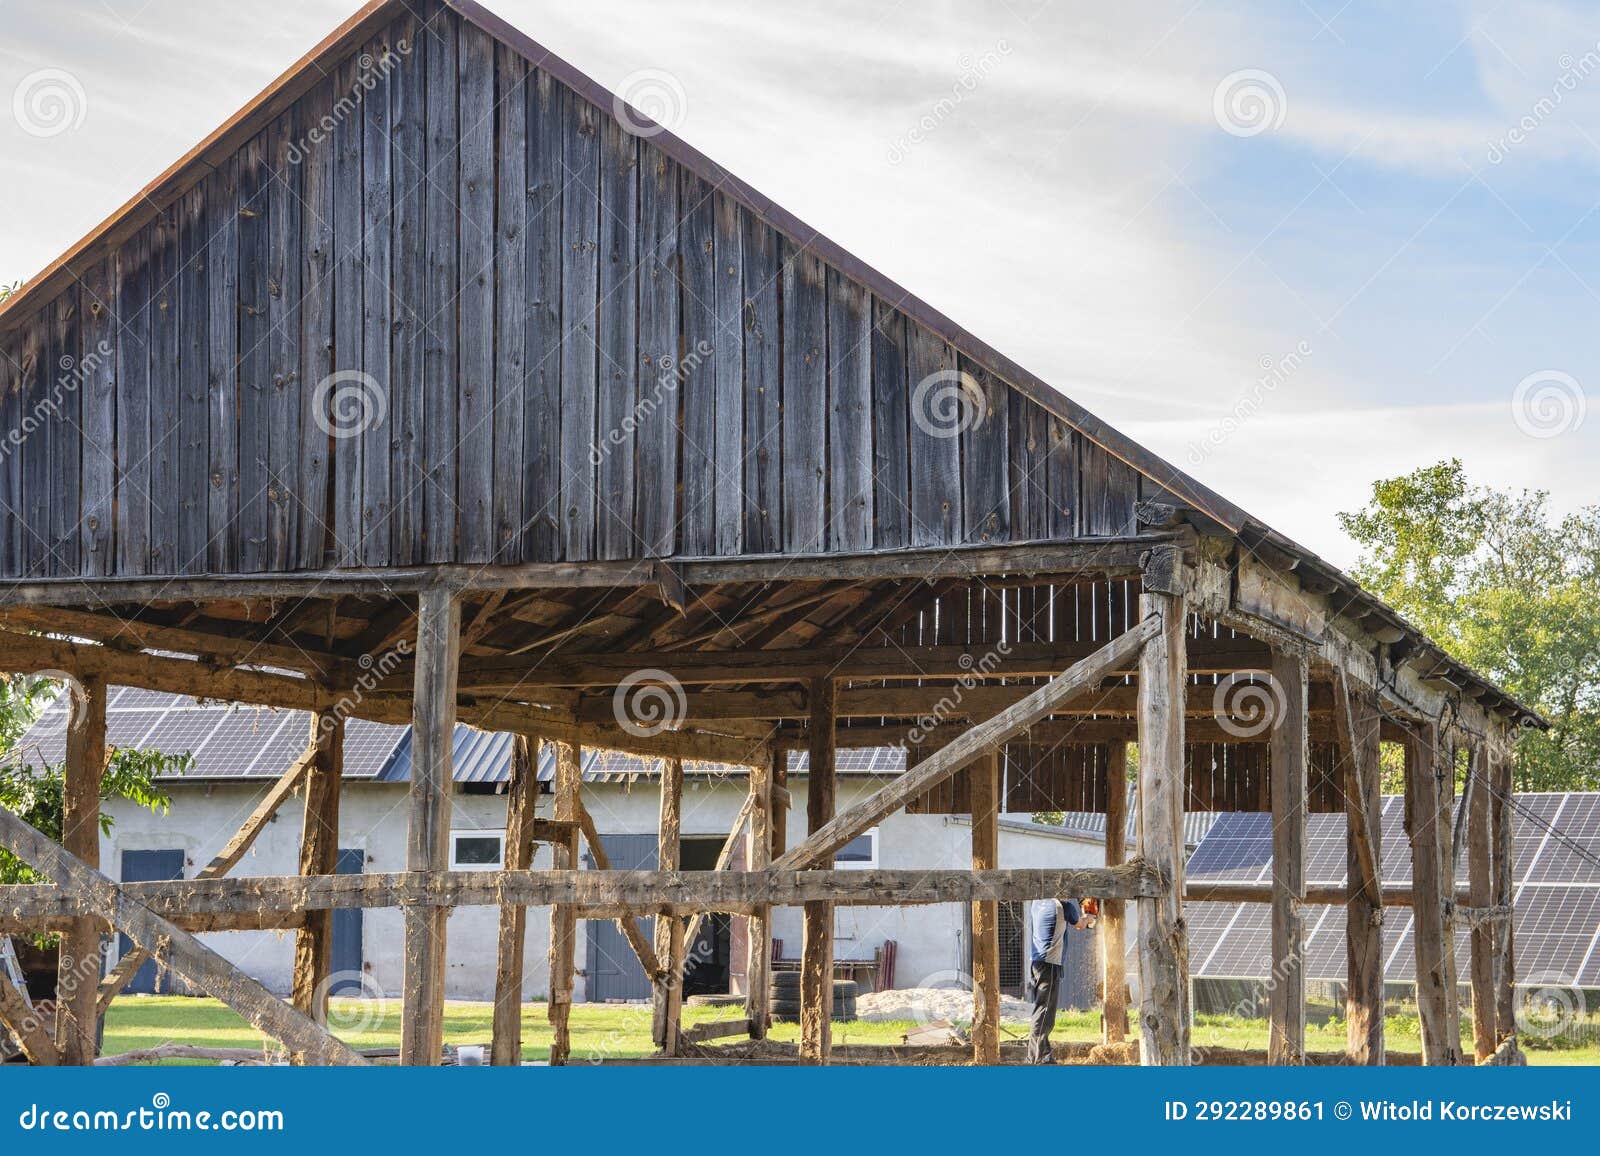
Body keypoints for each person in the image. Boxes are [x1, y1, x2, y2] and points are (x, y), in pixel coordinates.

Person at [1027, 895, 1090, 1064]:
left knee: (1041, 1009)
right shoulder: (1064, 907)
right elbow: (1080, 925)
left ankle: (1041, 1054)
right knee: (1044, 1011)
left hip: (1036, 962)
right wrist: (1090, 916)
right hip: (1050, 963)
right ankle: (1038, 1057)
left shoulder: (1036, 902)